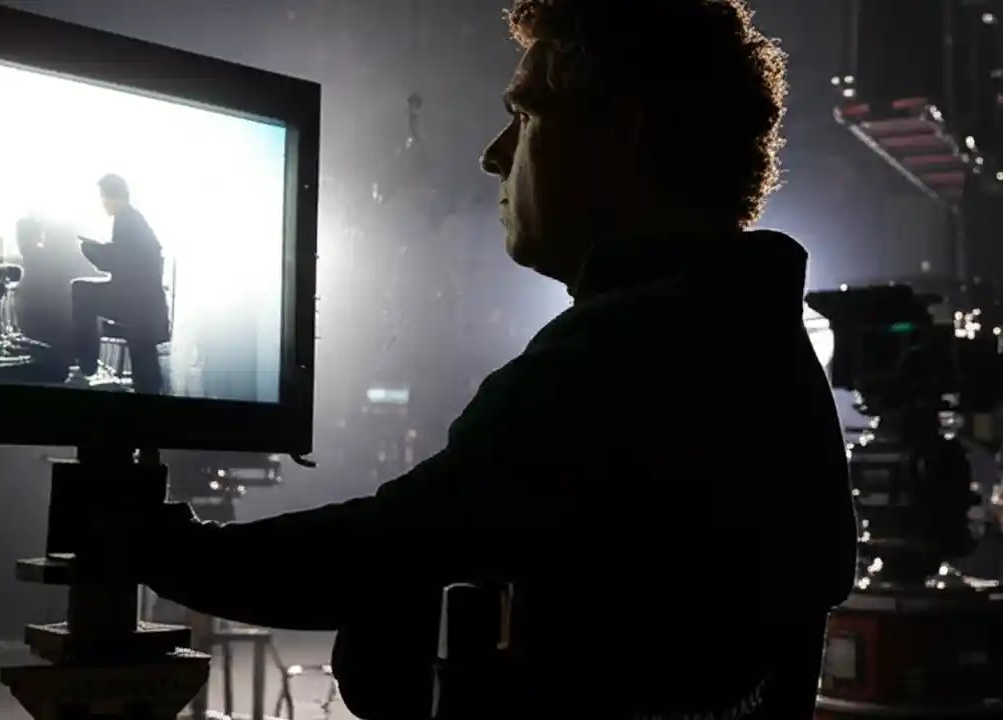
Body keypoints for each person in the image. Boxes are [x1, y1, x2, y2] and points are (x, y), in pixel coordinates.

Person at [115, 2, 858, 717]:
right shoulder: (758, 344)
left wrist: (150, 544)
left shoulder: (621, 357)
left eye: (527, 115)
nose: (495, 154)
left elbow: (384, 552)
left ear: (622, 130)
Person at [69, 174, 170, 393]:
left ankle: (86, 364)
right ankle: (89, 364)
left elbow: (117, 262)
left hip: (132, 301)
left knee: (80, 290)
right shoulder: (134, 221)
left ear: (113, 197)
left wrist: (90, 249)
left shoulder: (126, 219)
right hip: (145, 303)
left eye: (104, 197)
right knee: (144, 364)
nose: (103, 203)